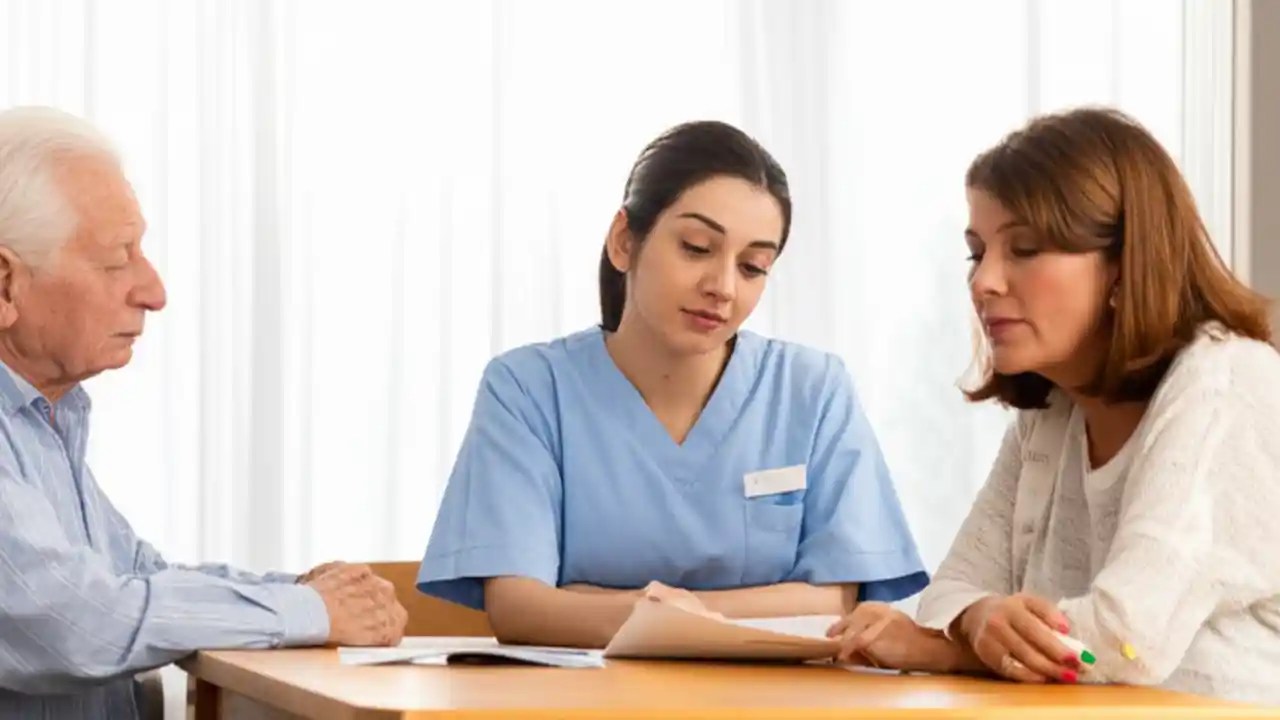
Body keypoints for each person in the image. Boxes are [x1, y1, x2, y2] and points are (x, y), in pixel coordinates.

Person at [828, 107, 1280, 703]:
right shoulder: (1051, 410)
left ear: (1123, 265)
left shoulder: (1228, 382)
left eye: (1024, 249)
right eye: (977, 253)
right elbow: (951, 594)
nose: (983, 282)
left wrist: (949, 649)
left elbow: (1124, 639)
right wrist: (978, 619)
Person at [418, 120, 927, 648]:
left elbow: (837, 602)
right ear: (624, 242)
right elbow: (519, 608)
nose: (723, 287)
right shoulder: (527, 390)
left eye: (753, 267)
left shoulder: (813, 391)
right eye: (696, 247)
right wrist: (764, 604)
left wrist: (642, 609)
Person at [0, 106, 407, 720]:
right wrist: (314, 611)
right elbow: (75, 622)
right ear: (6, 284)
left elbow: (139, 577)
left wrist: (304, 593)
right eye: (116, 260)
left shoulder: (41, 423)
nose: (153, 292)